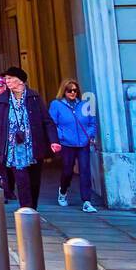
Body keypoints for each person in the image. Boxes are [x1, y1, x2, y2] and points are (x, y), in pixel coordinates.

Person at [0, 66, 60, 209]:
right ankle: (25, 210)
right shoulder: (3, 100)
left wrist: (54, 140)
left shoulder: (34, 97)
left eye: (9, 78)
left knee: (34, 181)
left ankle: (32, 209)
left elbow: (47, 120)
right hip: (13, 147)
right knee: (22, 181)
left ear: (20, 81)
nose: (6, 81)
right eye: (6, 78)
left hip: (32, 145)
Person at [48, 78, 99, 212]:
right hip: (66, 143)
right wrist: (60, 137)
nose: (72, 93)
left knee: (85, 170)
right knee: (67, 171)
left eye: (75, 90)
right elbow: (52, 123)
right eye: (69, 90)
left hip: (83, 143)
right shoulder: (56, 104)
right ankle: (63, 190)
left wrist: (88, 136)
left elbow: (92, 123)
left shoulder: (84, 105)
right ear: (63, 91)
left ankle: (86, 201)